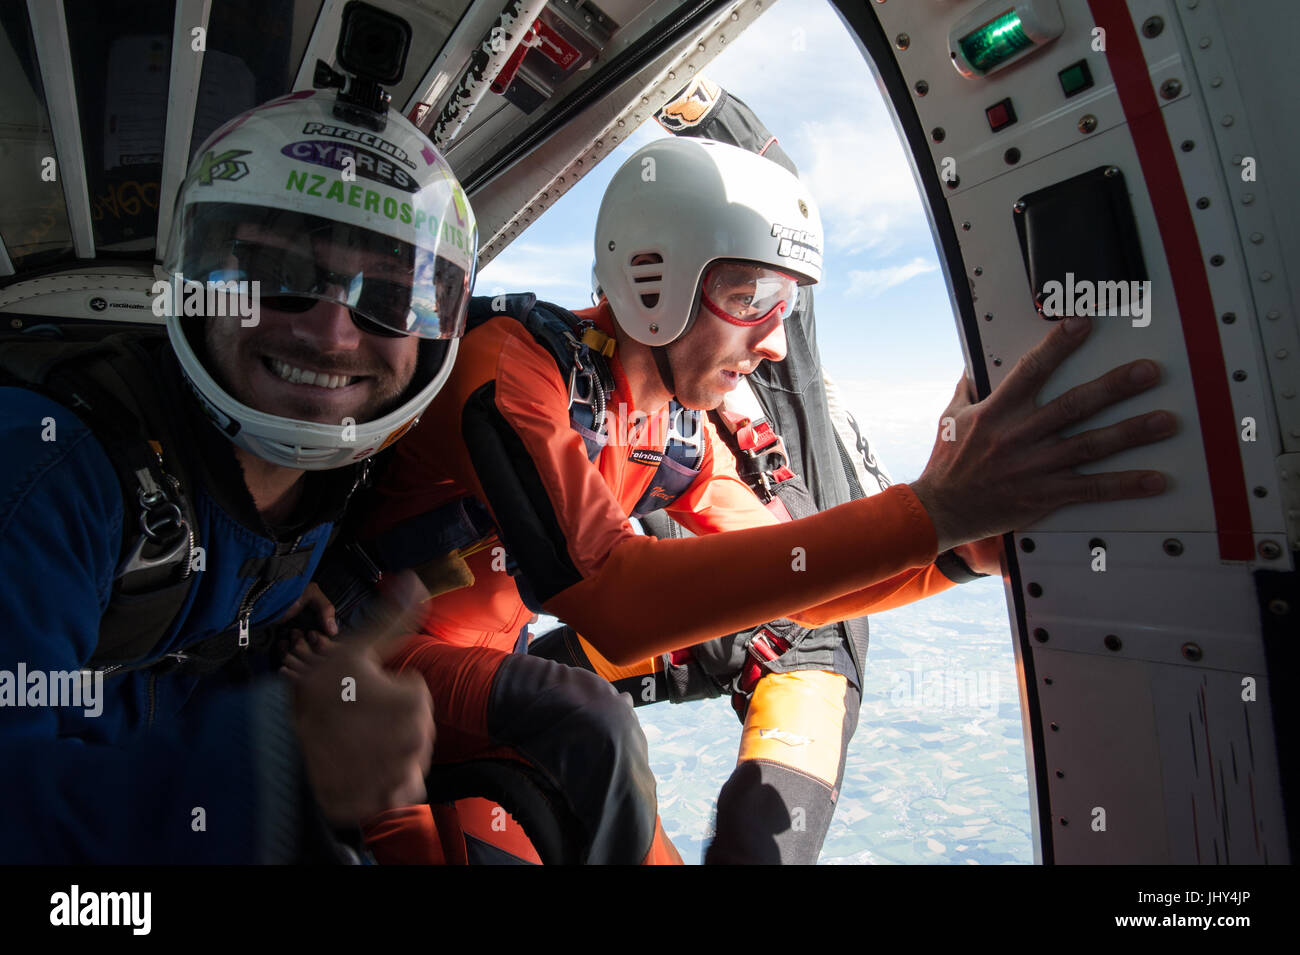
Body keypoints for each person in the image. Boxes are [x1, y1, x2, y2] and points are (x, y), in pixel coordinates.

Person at [329, 132, 1176, 865]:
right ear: (649, 279)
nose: (772, 344)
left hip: (482, 657)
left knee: (664, 686)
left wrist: (955, 548)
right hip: (368, 656)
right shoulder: (513, 371)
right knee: (587, 724)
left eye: (787, 307)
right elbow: (613, 603)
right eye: (749, 300)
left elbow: (804, 587)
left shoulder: (677, 432)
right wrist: (934, 510)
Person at [0, 85, 474, 862]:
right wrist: (270, 766)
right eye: (277, 269)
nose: (332, 330)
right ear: (199, 276)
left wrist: (287, 608)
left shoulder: (321, 489)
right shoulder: (48, 474)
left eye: (392, 296)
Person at [528, 75, 950, 864]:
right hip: (699, 623)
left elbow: (772, 186)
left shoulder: (776, 364)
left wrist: (683, 92)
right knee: (516, 696)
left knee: (760, 849)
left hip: (811, 637)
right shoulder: (620, 397)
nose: (764, 332)